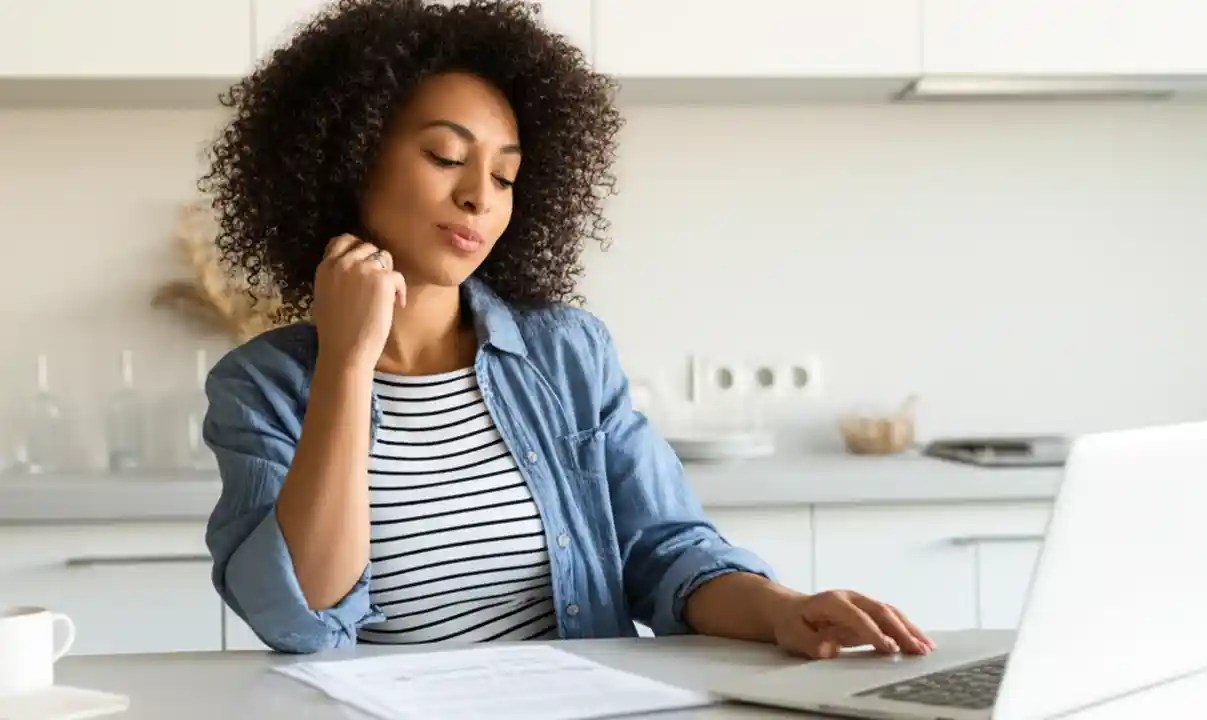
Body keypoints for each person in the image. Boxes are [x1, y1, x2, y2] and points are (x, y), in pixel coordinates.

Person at [200, 0, 935, 658]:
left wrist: (784, 610)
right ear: (350, 158)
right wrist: (348, 363)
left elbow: (666, 549)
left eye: (505, 177)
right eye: (446, 157)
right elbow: (299, 618)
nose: (477, 198)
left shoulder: (567, 355)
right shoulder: (263, 387)